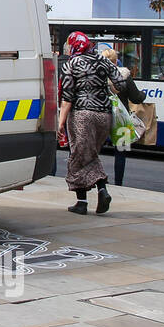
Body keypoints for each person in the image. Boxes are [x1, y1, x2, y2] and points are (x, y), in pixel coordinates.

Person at [57, 30, 125, 214]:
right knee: (88, 153)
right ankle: (95, 195)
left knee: (79, 156)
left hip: (82, 115)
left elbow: (67, 97)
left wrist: (61, 122)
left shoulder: (71, 64)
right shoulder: (102, 60)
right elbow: (120, 83)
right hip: (104, 116)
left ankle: (87, 198)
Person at [102, 47, 148, 187]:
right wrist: (143, 94)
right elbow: (136, 98)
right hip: (121, 119)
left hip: (101, 116)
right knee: (121, 151)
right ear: (116, 61)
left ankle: (97, 178)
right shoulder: (125, 75)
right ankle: (118, 182)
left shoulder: (98, 75)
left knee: (94, 149)